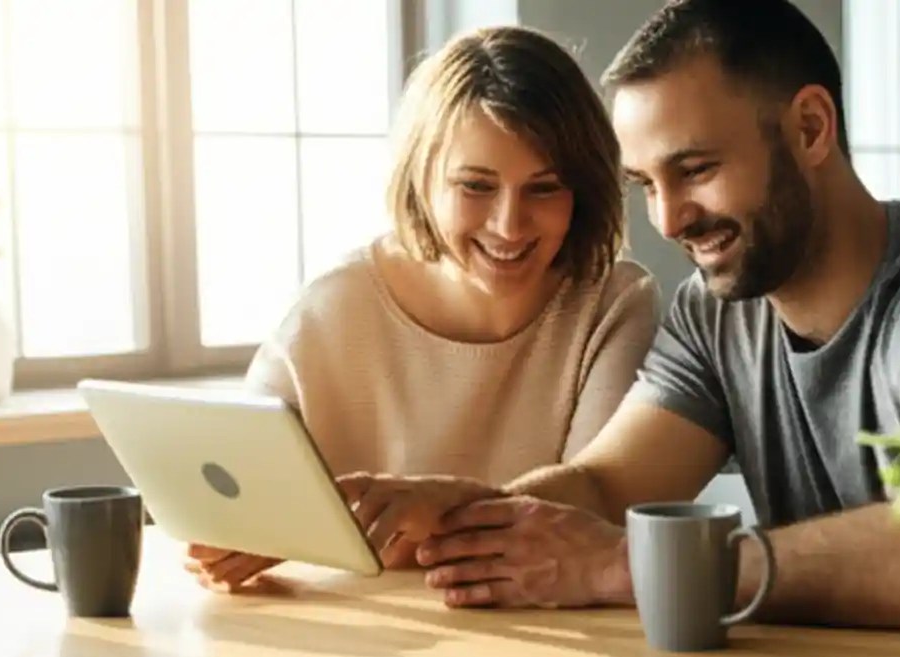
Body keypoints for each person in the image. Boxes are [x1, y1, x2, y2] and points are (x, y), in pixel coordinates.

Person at [380, 0, 900, 629]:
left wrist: (628, 567)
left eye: (694, 171)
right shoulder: (713, 317)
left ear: (810, 128)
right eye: (646, 184)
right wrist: (474, 515)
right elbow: (607, 485)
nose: (669, 218)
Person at [186, 26, 660, 591]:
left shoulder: (614, 305)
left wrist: (402, 521)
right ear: (422, 179)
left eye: (544, 189)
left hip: (543, 635)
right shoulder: (334, 308)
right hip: (363, 639)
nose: (509, 225)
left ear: (582, 191)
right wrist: (238, 537)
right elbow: (237, 493)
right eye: (476, 186)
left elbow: (591, 519)